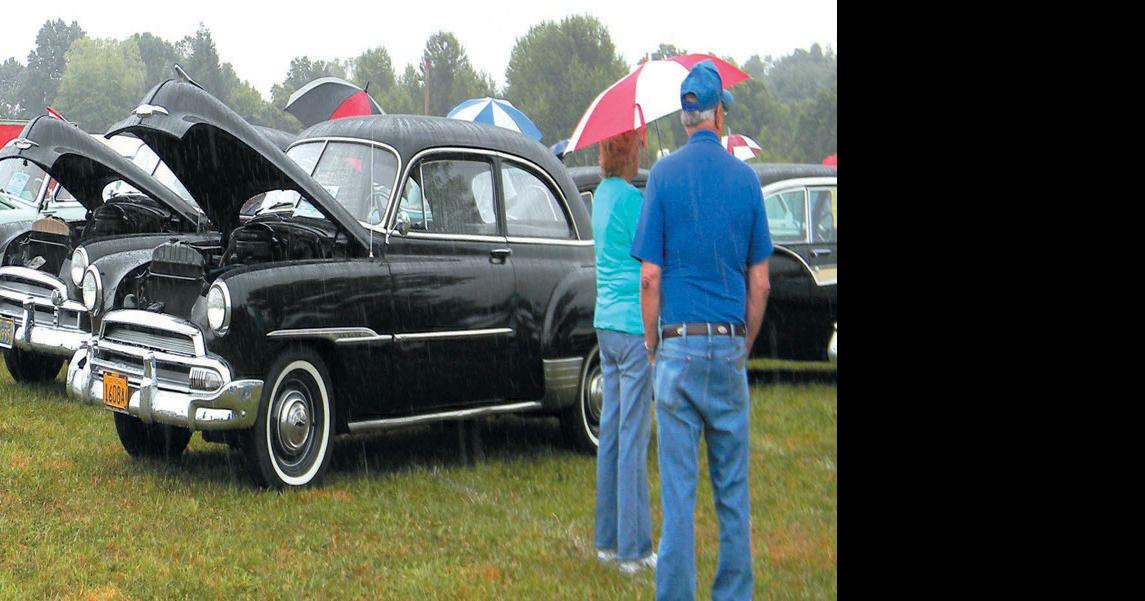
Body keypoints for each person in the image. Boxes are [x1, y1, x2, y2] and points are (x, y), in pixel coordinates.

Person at [631, 60, 772, 600]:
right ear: (718, 115)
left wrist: (651, 344)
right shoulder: (746, 180)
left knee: (679, 494)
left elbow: (649, 276)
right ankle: (734, 592)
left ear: (687, 116)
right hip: (728, 341)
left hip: (678, 346)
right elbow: (760, 283)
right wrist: (744, 343)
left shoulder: (663, 176)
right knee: (732, 492)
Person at [591, 129, 658, 574]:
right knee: (634, 435)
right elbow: (651, 262)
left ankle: (607, 539)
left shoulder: (600, 196)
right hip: (634, 326)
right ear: (632, 151)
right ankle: (634, 548)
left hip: (605, 323)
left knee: (612, 432)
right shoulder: (635, 201)